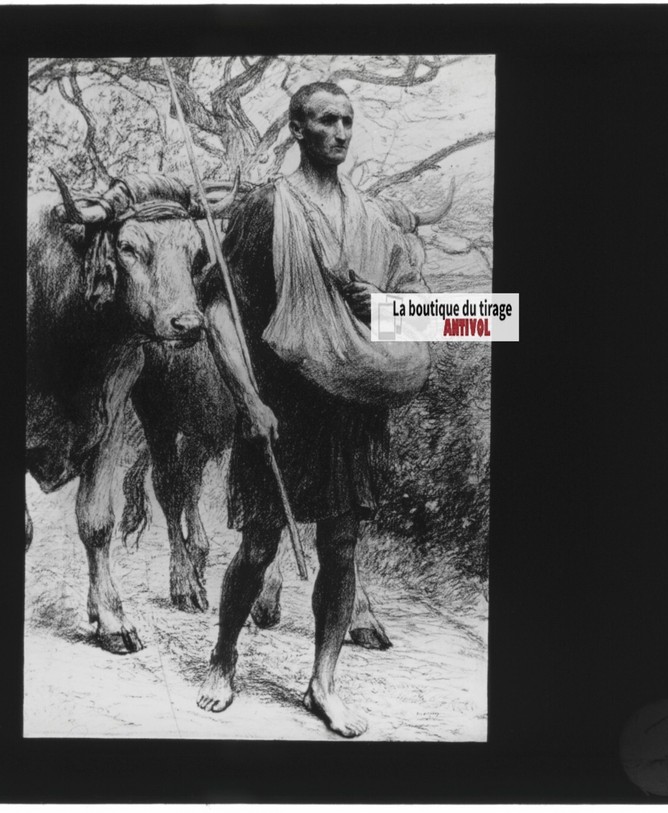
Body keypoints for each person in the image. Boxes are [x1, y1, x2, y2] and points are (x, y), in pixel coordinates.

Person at [196, 82, 428, 738]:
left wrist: (376, 304)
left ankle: (324, 681)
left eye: (349, 121)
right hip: (282, 405)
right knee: (259, 544)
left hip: (352, 410)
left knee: (343, 548)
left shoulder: (374, 219)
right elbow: (217, 305)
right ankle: (224, 655)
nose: (340, 132)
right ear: (297, 128)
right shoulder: (268, 207)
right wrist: (248, 398)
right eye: (326, 120)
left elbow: (422, 313)